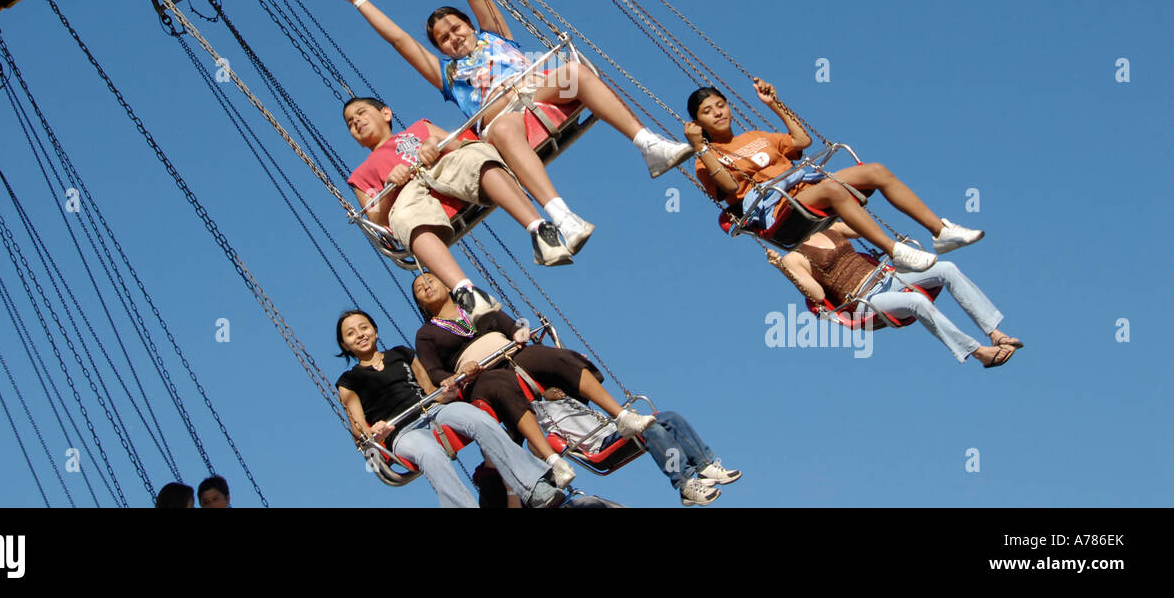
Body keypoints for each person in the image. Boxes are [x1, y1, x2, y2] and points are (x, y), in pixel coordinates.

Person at [327, 0, 693, 255]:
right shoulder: (449, 76)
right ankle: (562, 216)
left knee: (577, 73)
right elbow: (400, 42)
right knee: (500, 128)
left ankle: (648, 145)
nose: (453, 37)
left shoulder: (494, 35)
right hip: (502, 115)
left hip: (536, 89)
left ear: (469, 24)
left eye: (456, 27)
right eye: (443, 39)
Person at [413, 275, 741, 506]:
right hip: (485, 375)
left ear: (447, 283)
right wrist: (456, 378)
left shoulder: (478, 308)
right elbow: (436, 372)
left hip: (524, 362)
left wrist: (520, 333)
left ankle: (700, 460)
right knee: (500, 387)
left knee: (663, 417)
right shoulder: (428, 334)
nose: (427, 285)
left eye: (430, 279)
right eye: (420, 288)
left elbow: (511, 326)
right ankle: (683, 482)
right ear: (421, 305)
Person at [685, 81, 982, 272]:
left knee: (876, 171)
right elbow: (730, 186)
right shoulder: (706, 160)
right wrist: (700, 147)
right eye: (708, 112)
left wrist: (775, 104)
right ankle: (894, 250)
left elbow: (802, 142)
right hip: (779, 212)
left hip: (807, 188)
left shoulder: (757, 135)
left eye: (721, 105)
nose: (718, 113)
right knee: (834, 190)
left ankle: (940, 232)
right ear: (699, 122)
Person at [343, 95, 571, 325]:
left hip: (442, 168)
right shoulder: (361, 175)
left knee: (476, 155)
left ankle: (539, 229)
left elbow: (458, 146)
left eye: (361, 113)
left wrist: (433, 144)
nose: (356, 121)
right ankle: (466, 291)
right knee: (403, 219)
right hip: (407, 195)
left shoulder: (420, 128)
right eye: (350, 123)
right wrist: (391, 187)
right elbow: (377, 218)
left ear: (386, 113)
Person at [334, 309, 566, 508]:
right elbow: (358, 427)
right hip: (401, 431)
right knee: (430, 453)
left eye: (363, 328)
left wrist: (448, 394)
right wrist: (375, 433)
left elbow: (428, 388)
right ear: (345, 345)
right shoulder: (349, 380)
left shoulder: (401, 354)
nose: (360, 335)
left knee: (480, 420)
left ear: (375, 330)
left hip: (431, 410)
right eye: (351, 334)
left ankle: (533, 487)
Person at [781, 222, 1023, 368]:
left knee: (947, 269)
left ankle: (995, 333)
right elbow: (817, 294)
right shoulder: (793, 258)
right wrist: (786, 271)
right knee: (916, 300)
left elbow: (863, 227)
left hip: (888, 278)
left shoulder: (831, 228)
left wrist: (848, 202)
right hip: (865, 301)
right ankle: (978, 353)